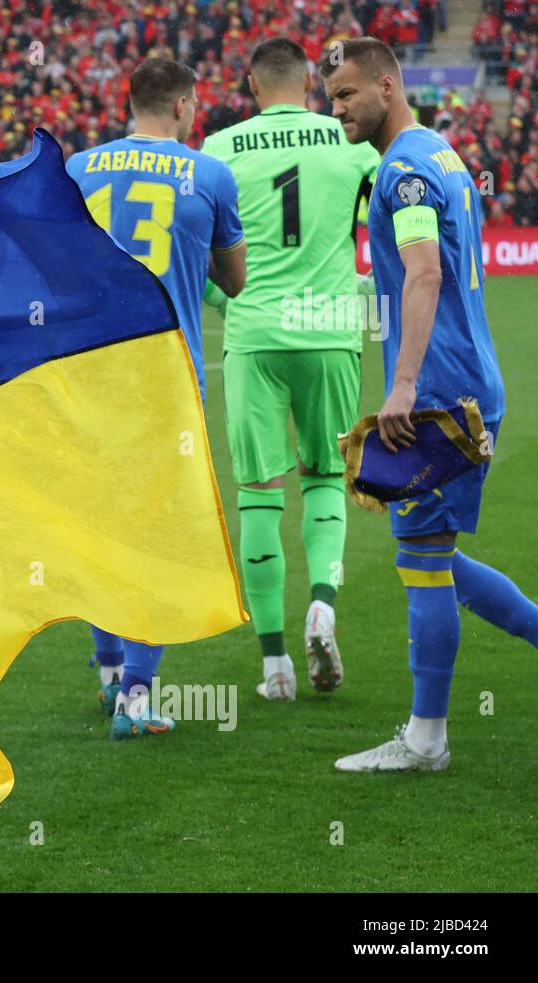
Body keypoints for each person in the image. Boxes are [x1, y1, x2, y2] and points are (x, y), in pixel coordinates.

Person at [321, 37, 538, 771]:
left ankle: (426, 739)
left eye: (349, 93)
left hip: (441, 392)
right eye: (331, 98)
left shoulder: (406, 168)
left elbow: (423, 273)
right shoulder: (439, 152)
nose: (339, 108)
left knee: (419, 556)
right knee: (434, 552)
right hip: (474, 379)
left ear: (388, 84)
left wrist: (405, 384)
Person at [66, 58, 246, 738]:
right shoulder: (209, 175)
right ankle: (137, 694)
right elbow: (236, 281)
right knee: (163, 535)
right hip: (166, 376)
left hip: (91, 371)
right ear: (182, 105)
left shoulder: (79, 170)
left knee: (102, 525)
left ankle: (110, 671)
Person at [202, 38, 381, 701]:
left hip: (254, 334)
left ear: (251, 86)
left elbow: (193, 255)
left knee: (257, 488)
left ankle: (274, 664)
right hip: (330, 331)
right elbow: (388, 219)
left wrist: (229, 302)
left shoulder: (217, 151)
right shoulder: (350, 142)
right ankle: (324, 605)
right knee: (326, 474)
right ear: (311, 82)